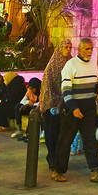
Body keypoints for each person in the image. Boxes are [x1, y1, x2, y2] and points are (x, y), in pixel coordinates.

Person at [52, 38, 98, 183]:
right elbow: (66, 90)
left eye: (91, 49)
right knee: (66, 140)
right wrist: (74, 108)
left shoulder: (93, 66)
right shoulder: (70, 65)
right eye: (87, 49)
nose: (90, 52)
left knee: (90, 140)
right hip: (71, 109)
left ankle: (95, 171)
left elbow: (95, 83)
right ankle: (58, 170)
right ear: (80, 50)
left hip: (88, 108)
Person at [40, 40, 72, 170]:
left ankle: (60, 161)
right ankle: (52, 159)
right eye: (65, 47)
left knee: (63, 136)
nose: (68, 49)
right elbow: (48, 86)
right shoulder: (52, 66)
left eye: (70, 47)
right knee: (52, 135)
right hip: (52, 105)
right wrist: (55, 102)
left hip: (66, 104)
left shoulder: (71, 64)